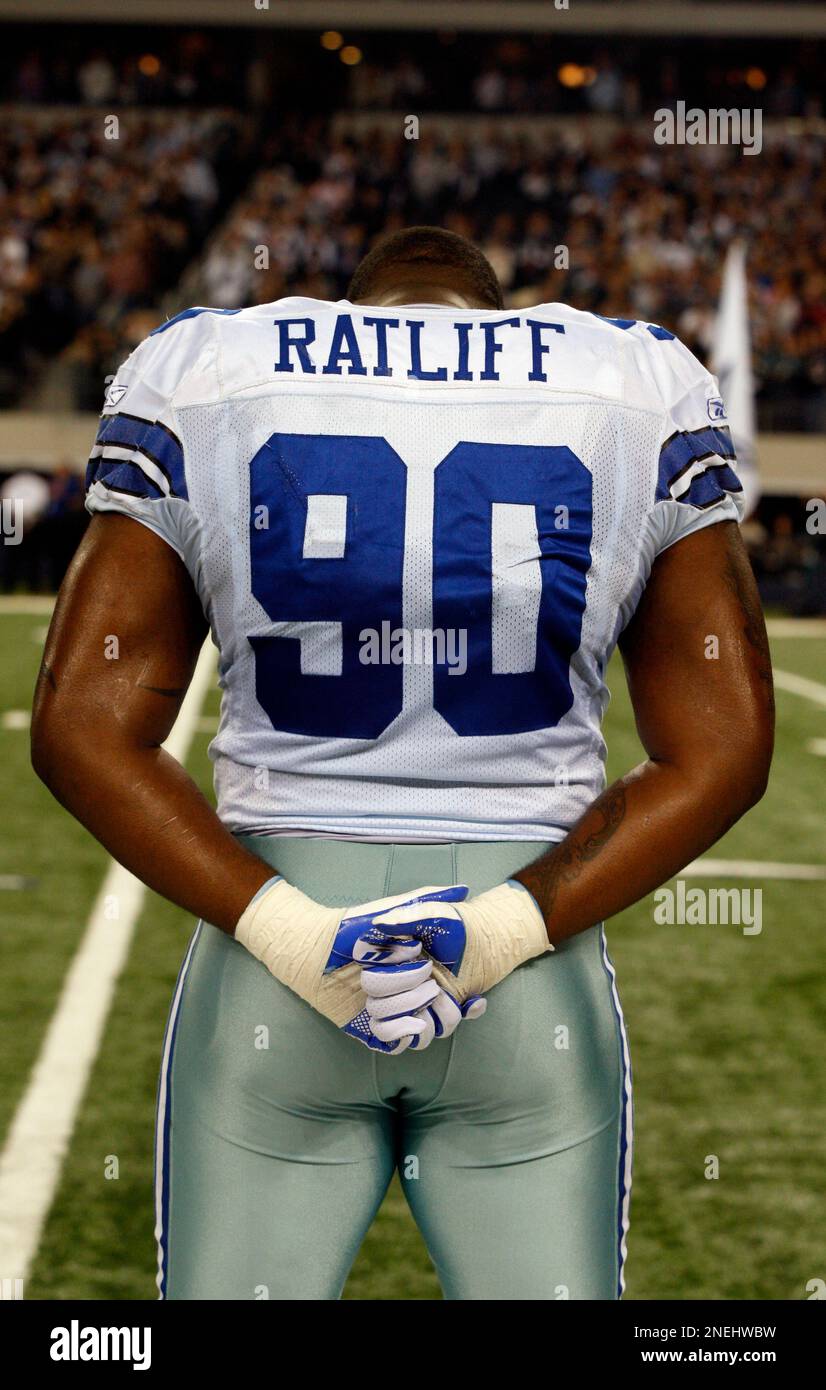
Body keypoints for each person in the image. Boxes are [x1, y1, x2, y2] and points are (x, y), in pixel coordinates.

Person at [31, 227, 774, 1301]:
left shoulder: (210, 367)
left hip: (273, 957)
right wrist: (496, 934)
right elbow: (727, 746)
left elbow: (79, 725)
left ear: (356, 300)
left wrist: (297, 938)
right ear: (491, 298)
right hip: (526, 964)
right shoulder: (633, 377)